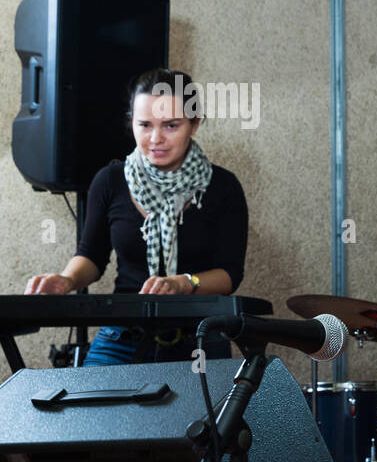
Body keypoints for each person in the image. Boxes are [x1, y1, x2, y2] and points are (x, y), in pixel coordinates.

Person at [25, 68, 248, 365]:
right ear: (131, 122)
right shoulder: (109, 180)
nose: (155, 139)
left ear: (194, 124)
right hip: (121, 336)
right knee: (89, 408)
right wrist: (66, 280)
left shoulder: (223, 186)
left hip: (199, 338)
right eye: (144, 125)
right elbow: (91, 256)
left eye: (171, 125)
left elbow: (229, 275)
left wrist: (183, 283)